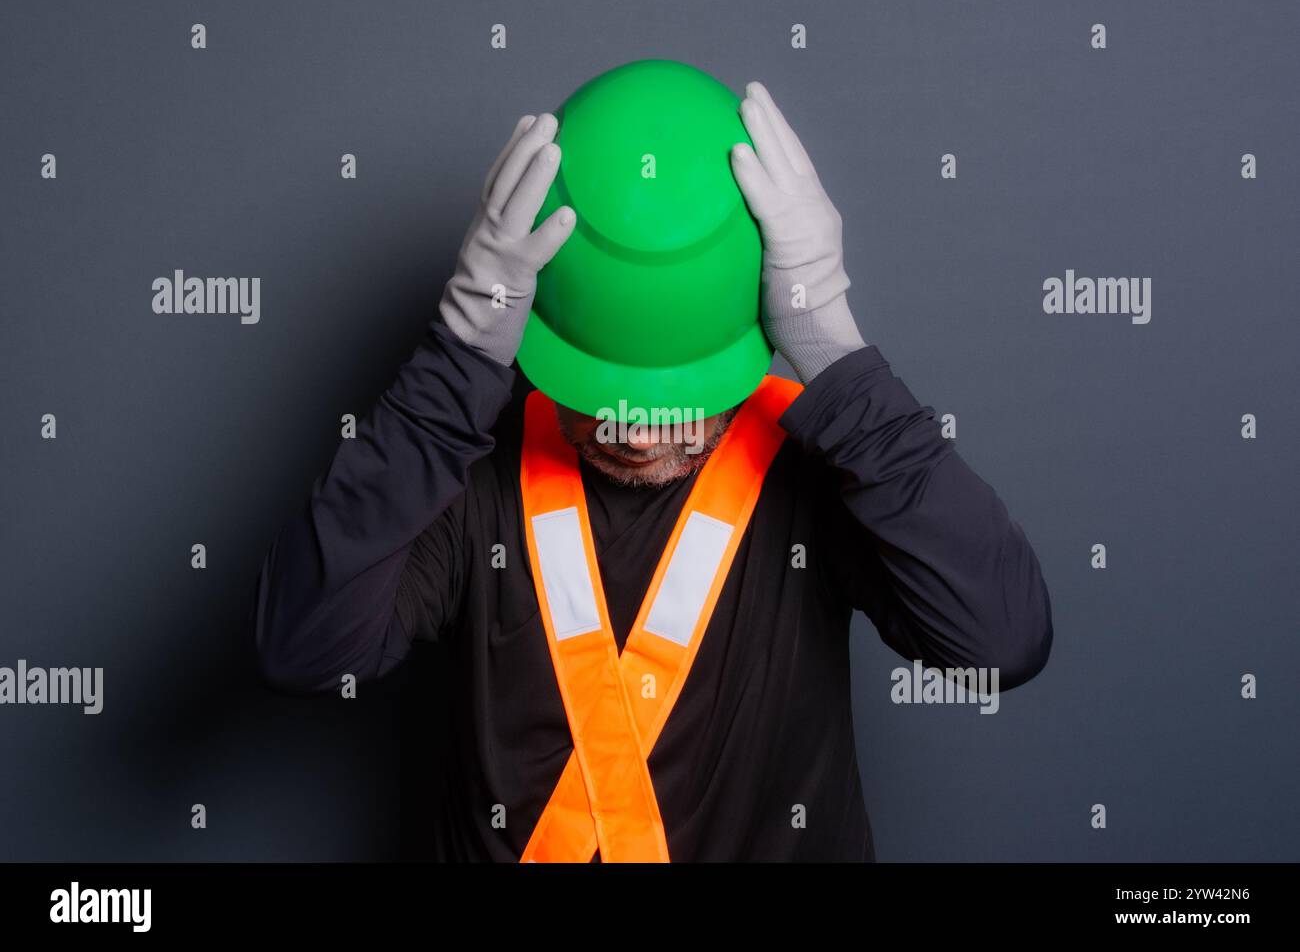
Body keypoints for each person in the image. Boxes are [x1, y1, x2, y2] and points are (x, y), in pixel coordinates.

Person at [251, 77, 1053, 862]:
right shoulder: (470, 463)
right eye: (604, 394)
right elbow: (305, 650)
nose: (638, 431)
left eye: (681, 394)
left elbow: (1001, 643)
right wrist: (456, 364)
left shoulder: (820, 468)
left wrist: (834, 352)